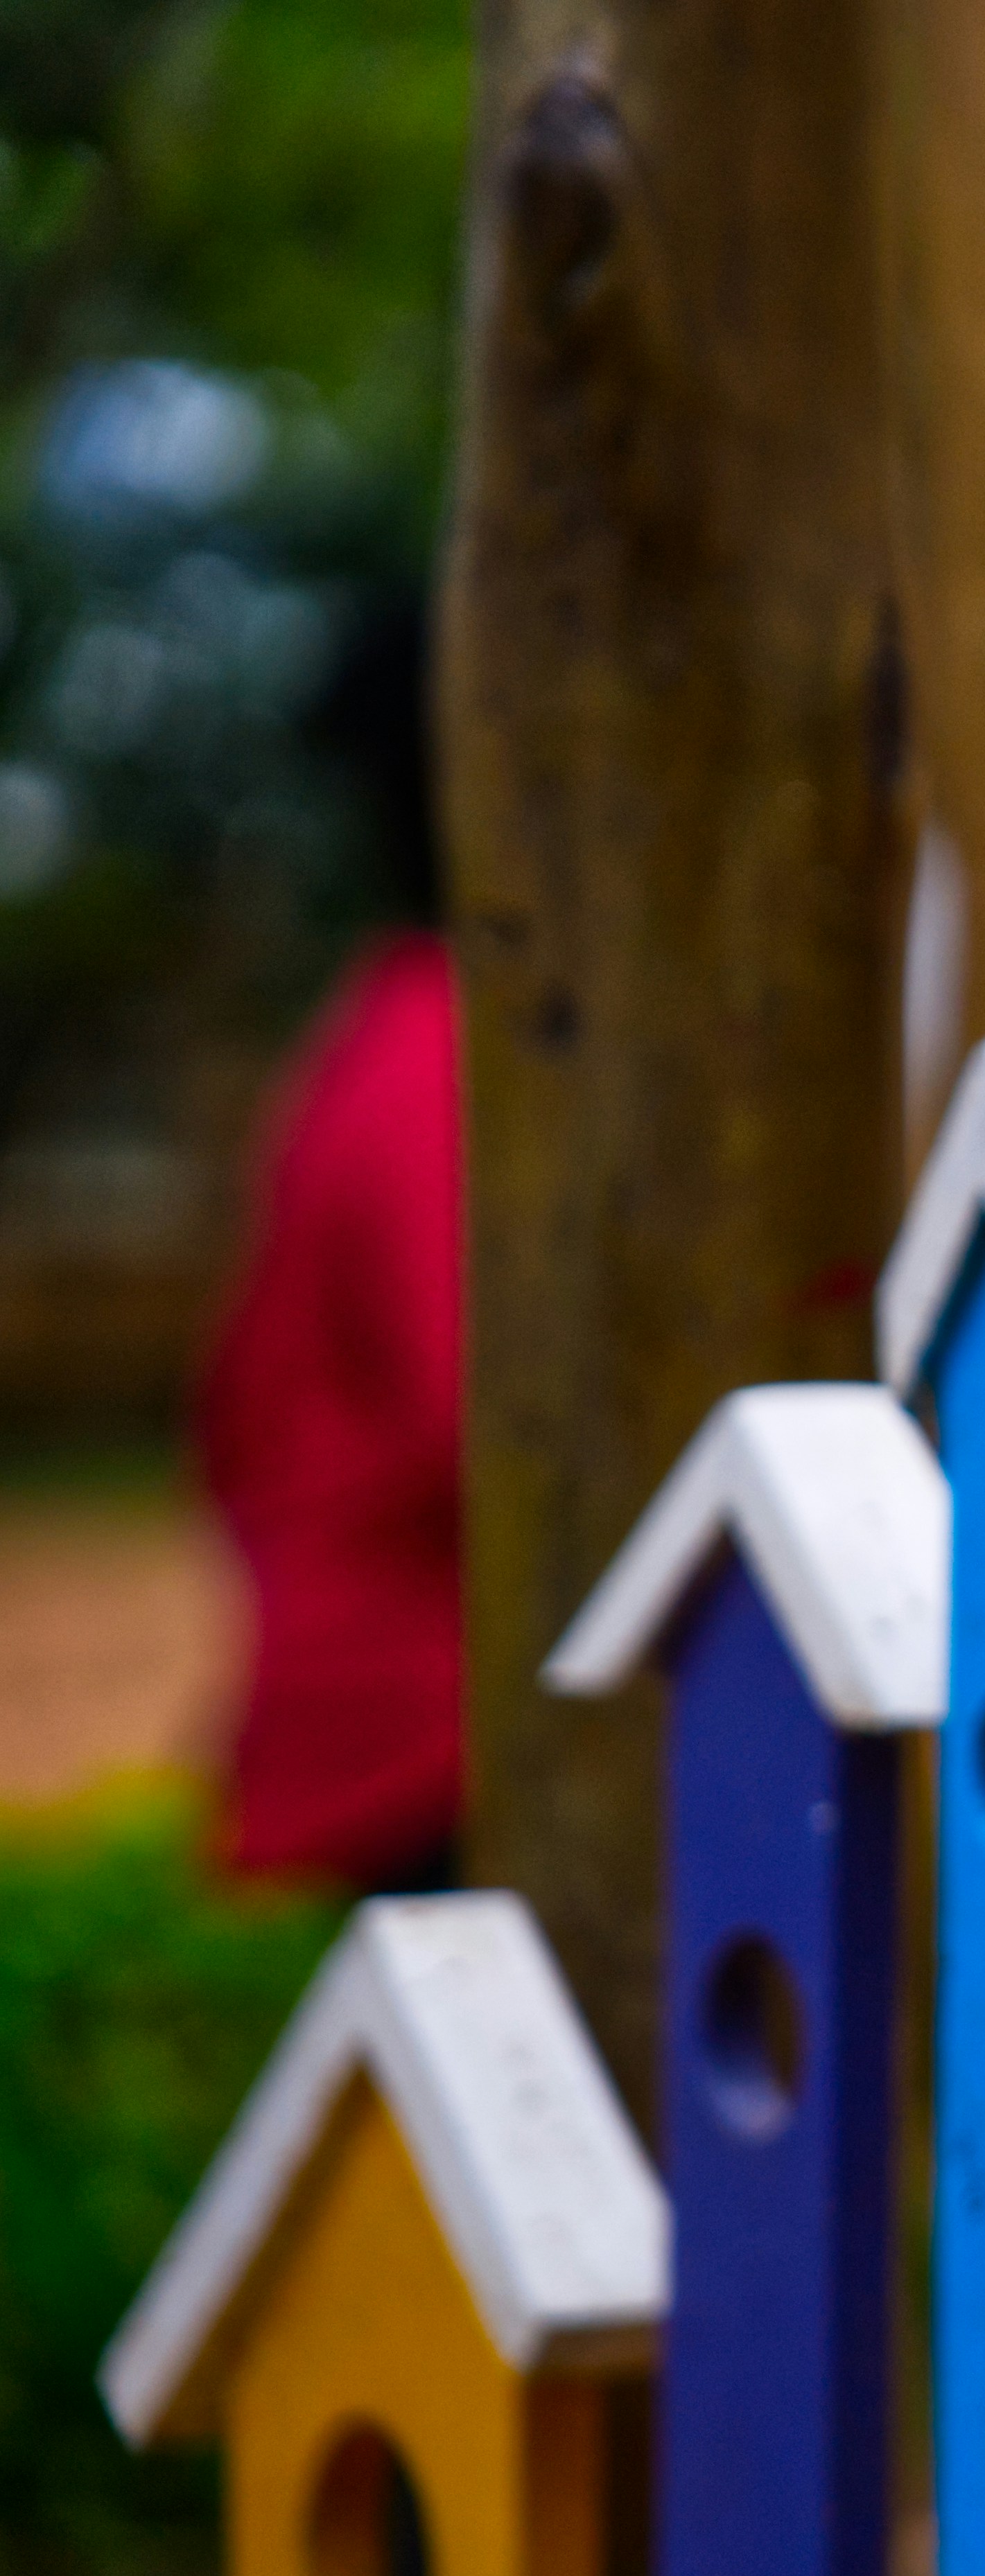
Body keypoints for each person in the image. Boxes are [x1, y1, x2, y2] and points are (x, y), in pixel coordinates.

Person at [199, 599, 467, 1891]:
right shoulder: (447, 1064)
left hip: (378, 1721)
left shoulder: (381, 1032)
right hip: (430, 1740)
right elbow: (475, 1413)